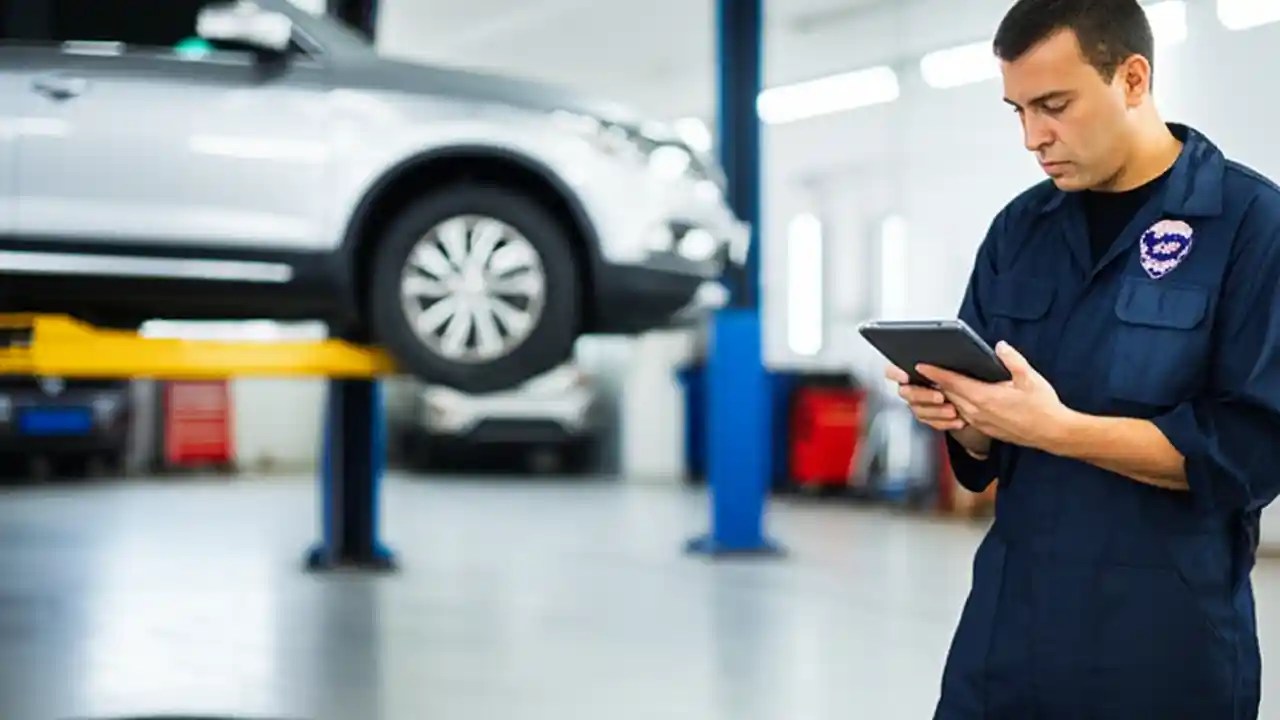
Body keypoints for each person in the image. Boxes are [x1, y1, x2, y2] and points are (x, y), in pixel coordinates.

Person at [886, 1, 1280, 717]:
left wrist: (1055, 428)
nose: (1035, 137)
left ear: (1132, 78)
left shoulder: (1251, 226)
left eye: (1055, 105)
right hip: (1009, 634)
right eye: (1018, 111)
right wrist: (960, 413)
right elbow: (988, 445)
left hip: (1163, 646)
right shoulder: (1020, 230)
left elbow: (1250, 454)